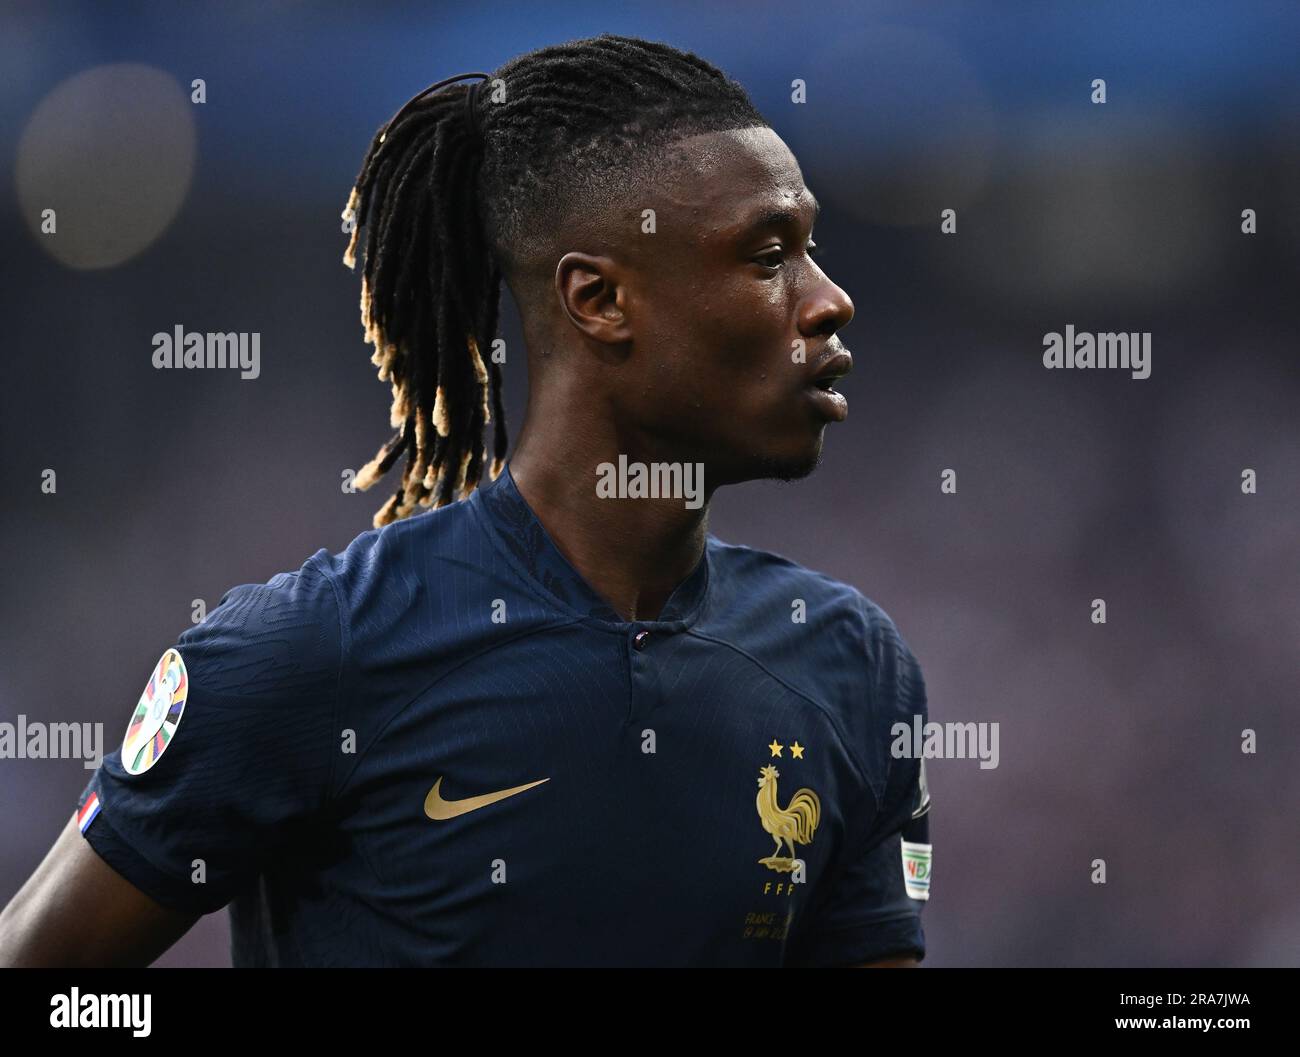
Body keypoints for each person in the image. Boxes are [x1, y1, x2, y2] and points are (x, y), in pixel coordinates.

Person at [0, 33, 931, 967]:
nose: (830, 300)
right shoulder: (307, 656)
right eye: (771, 257)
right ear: (599, 299)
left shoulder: (852, 671)